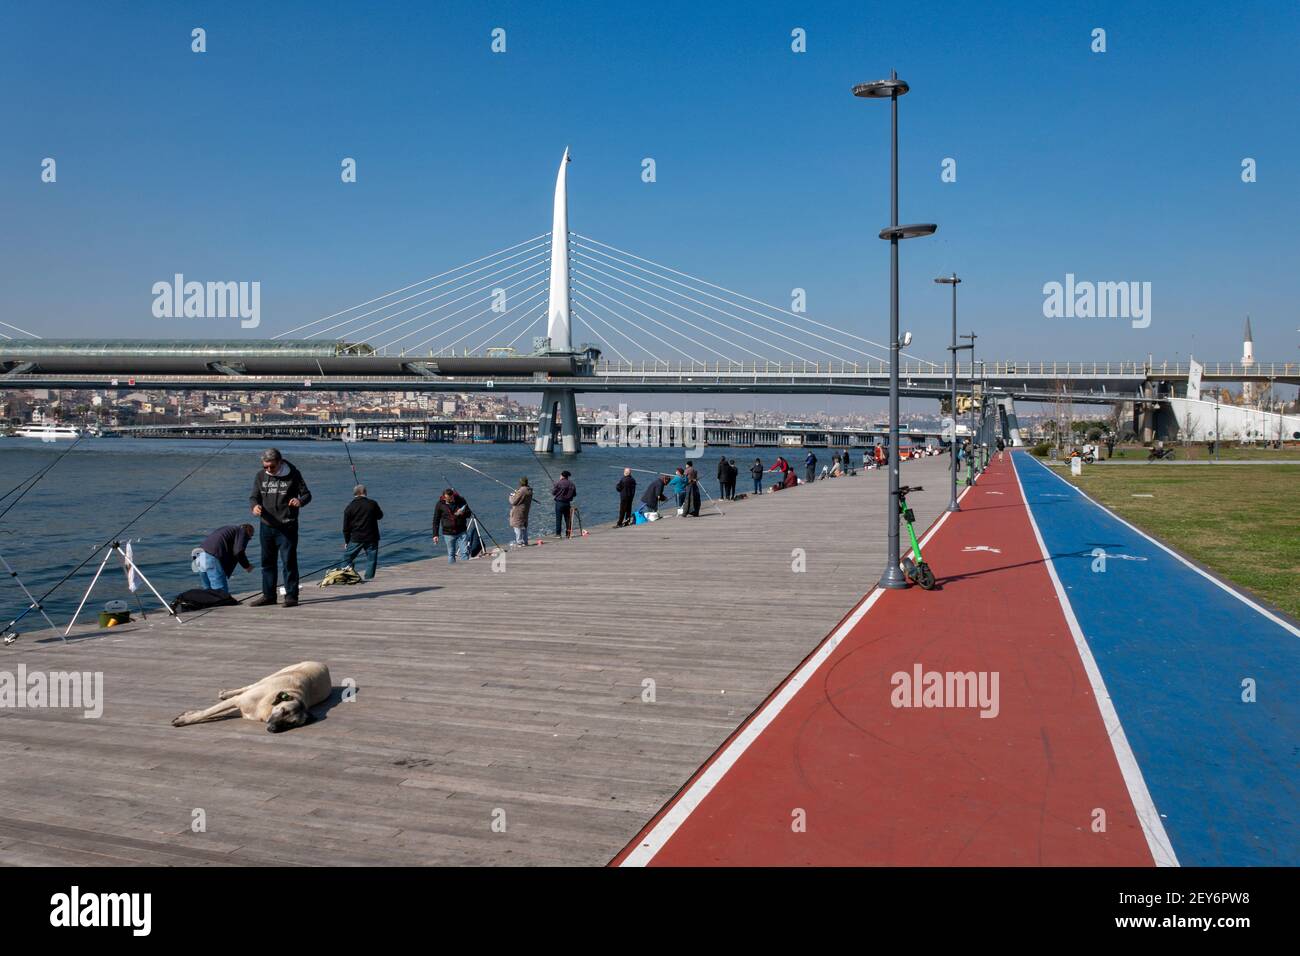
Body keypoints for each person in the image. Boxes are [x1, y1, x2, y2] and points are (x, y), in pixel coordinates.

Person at [248, 448, 311, 608]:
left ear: (280, 463)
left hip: (287, 526)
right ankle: (268, 595)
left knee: (288, 562)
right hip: (266, 526)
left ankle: (291, 596)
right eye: (266, 467)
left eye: (272, 467)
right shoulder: (260, 476)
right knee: (267, 563)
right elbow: (254, 496)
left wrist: (299, 501)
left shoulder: (293, 474)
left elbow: (307, 494)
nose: (269, 470)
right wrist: (254, 506)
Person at [195, 522, 254, 594]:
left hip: (200, 554)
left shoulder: (229, 529)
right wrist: (247, 566)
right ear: (248, 531)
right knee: (220, 593)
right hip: (212, 556)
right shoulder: (242, 532)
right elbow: (238, 552)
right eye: (250, 536)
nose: (250, 539)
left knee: (207, 590)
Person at [341, 484, 384, 581]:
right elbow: (380, 516)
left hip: (356, 537)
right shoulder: (372, 503)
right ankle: (369, 578)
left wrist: (347, 541)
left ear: (355, 494)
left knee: (347, 557)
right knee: (371, 559)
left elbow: (346, 528)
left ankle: (346, 576)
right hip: (372, 537)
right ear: (365, 492)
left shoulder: (349, 507)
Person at [432, 488, 473, 563]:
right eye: (448, 499)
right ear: (444, 497)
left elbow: (469, 514)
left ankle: (466, 570)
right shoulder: (440, 504)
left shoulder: (461, 500)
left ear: (453, 495)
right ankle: (453, 570)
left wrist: (462, 513)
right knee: (451, 554)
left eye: (451, 498)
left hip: (461, 531)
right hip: (448, 533)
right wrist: (435, 535)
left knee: (464, 552)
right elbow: (436, 520)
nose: (450, 500)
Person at [552, 470, 577, 538]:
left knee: (558, 519)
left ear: (562, 476)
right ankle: (568, 534)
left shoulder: (558, 483)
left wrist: (556, 487)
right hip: (567, 503)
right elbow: (574, 494)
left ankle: (558, 534)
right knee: (568, 519)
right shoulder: (572, 484)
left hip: (559, 503)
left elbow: (553, 493)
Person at [508, 477, 533, 546]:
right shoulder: (529, 490)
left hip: (518, 511)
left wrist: (511, 496)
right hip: (525, 511)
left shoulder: (521, 491)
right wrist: (517, 492)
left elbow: (513, 502)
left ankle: (519, 542)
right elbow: (522, 497)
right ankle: (525, 541)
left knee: (517, 527)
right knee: (524, 526)